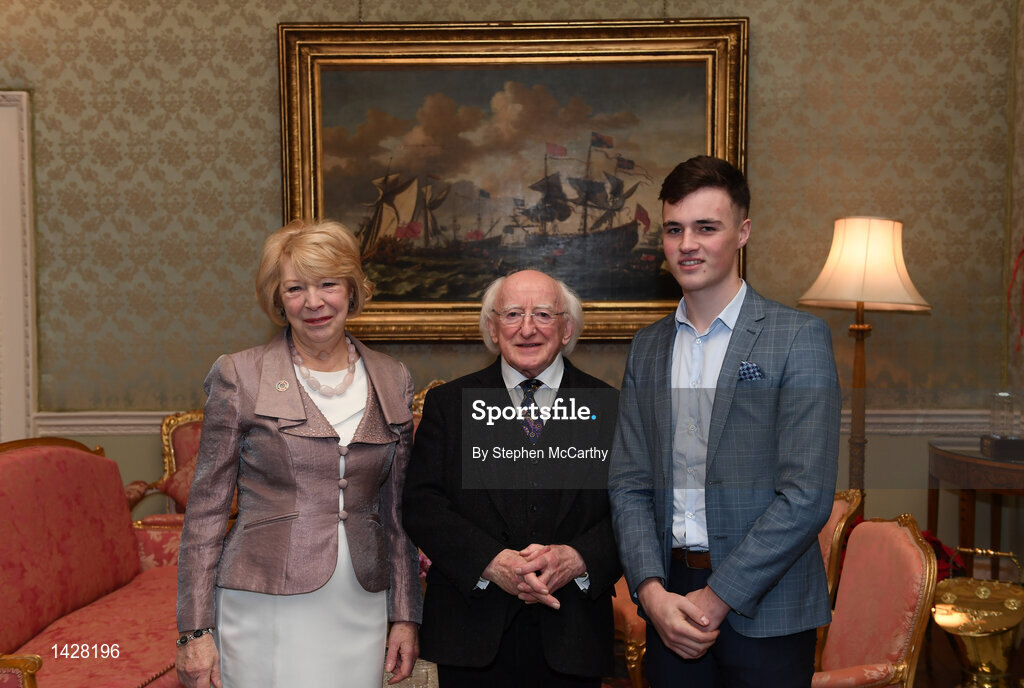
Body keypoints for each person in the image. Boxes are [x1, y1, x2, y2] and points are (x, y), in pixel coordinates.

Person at [607, 156, 841, 686]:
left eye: (706, 228)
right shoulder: (648, 347)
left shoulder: (798, 338)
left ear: (742, 233)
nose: (687, 244)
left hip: (770, 611)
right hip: (670, 605)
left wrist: (719, 597)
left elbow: (805, 496)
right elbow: (629, 485)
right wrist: (649, 592)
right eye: (674, 229)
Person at [175, 219, 421, 688]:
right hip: (263, 599)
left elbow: (398, 514)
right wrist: (194, 630)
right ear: (277, 299)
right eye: (295, 288)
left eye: (328, 284)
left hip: (363, 600)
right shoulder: (240, 375)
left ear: (352, 289)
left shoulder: (393, 378)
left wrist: (406, 615)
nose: (313, 302)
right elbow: (204, 514)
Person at [402, 269, 621, 688]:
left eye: (542, 313)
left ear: (567, 326)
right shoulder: (449, 405)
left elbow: (631, 506)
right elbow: (422, 503)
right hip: (471, 633)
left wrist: (576, 558)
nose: (527, 328)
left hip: (572, 632)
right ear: (491, 327)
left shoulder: (610, 407)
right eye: (512, 314)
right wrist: (491, 562)